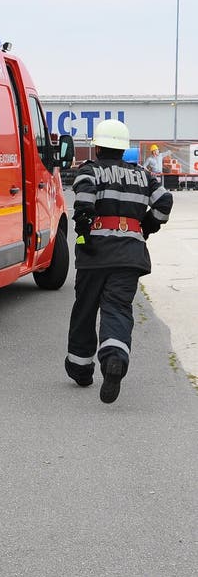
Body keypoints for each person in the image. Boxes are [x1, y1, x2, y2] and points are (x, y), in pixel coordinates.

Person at [65, 119, 173, 404]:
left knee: (85, 309)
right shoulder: (143, 175)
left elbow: (83, 206)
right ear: (123, 149)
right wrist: (147, 225)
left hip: (95, 255)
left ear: (98, 148)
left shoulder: (89, 171)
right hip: (129, 255)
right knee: (117, 308)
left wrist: (85, 235)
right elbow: (164, 202)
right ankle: (115, 358)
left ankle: (80, 368)